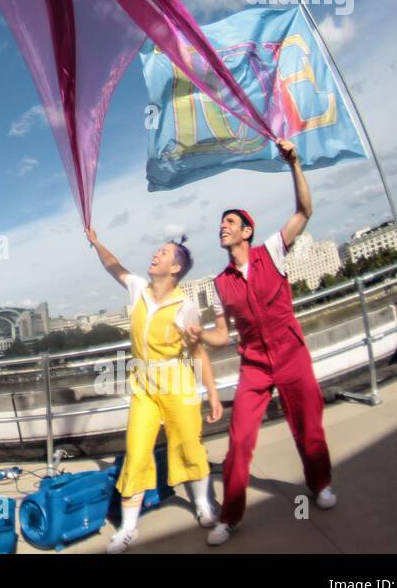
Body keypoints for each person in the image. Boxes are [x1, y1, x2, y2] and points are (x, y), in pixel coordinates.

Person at [186, 137, 335, 547]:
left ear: (247, 231)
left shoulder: (272, 251)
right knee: (240, 441)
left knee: (308, 427)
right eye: (221, 225)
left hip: (291, 355)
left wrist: (295, 164)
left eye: (229, 223)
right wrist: (202, 335)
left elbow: (305, 210)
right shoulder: (218, 284)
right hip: (253, 365)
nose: (223, 227)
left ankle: (319, 484)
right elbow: (222, 335)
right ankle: (229, 517)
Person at [87, 227, 222, 553]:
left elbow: (198, 351)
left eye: (162, 253)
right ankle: (128, 528)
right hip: (144, 386)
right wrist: (96, 242)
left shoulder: (184, 306)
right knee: (136, 450)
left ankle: (203, 504)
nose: (154, 255)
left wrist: (213, 393)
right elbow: (113, 265)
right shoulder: (138, 289)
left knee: (190, 445)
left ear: (175, 268)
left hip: (178, 384)